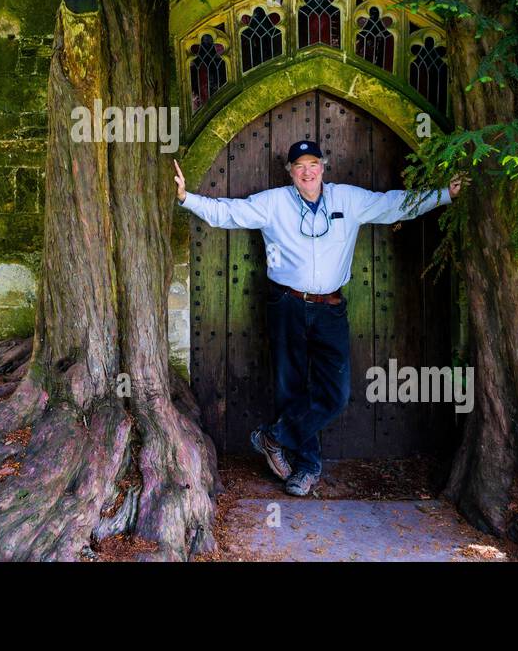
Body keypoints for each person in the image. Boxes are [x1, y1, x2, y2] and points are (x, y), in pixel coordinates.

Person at [173, 140, 462, 496]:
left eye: (313, 164)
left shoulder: (349, 200)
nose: (307, 171)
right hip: (287, 306)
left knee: (335, 394)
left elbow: (395, 205)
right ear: (290, 172)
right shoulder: (273, 203)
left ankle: (273, 438)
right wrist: (187, 198)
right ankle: (306, 470)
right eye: (299, 166)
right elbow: (229, 213)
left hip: (330, 309)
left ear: (323, 167)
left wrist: (445, 194)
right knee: (290, 388)